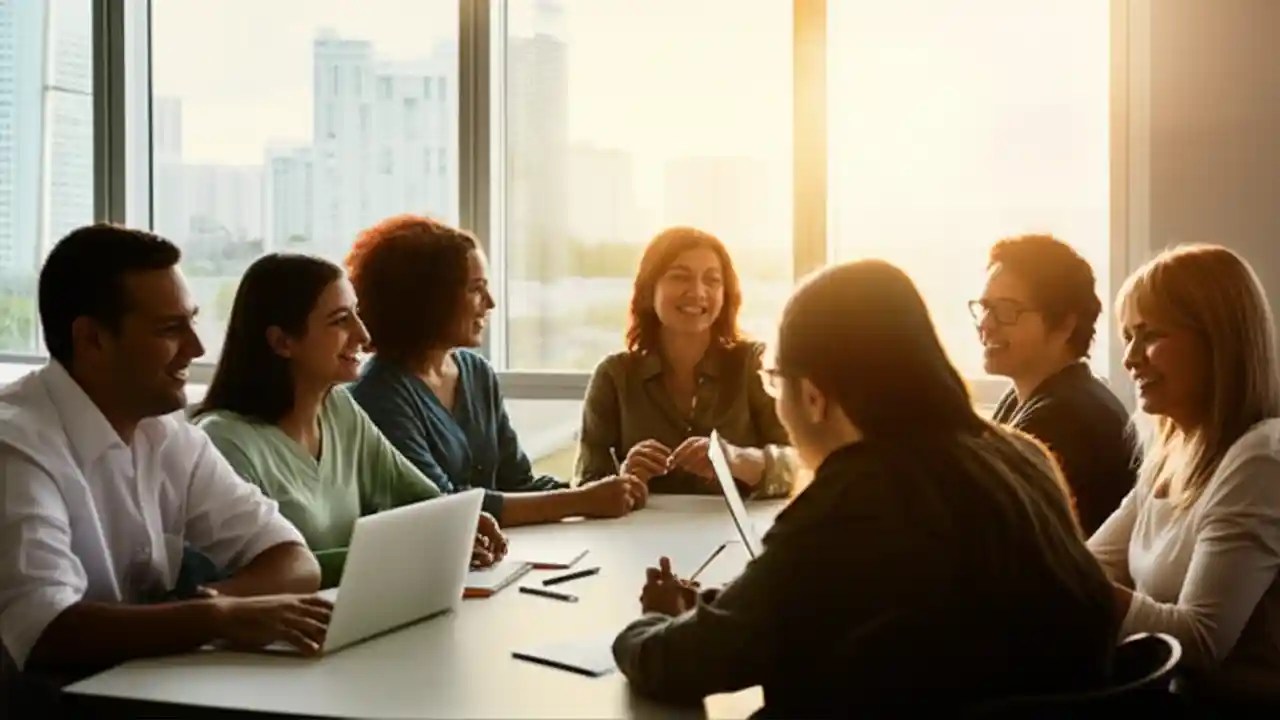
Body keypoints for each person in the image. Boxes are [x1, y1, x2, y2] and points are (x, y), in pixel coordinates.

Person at [613, 259, 1117, 716]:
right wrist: (726, 603)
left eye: (775, 380)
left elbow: (682, 663)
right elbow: (854, 602)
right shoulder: (1020, 456)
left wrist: (652, 619)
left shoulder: (858, 497)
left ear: (812, 395)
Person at [0, 225, 329, 682]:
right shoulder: (15, 446)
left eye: (191, 321)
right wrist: (216, 619)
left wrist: (209, 606)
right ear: (92, 338)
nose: (195, 348)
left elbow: (295, 562)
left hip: (139, 689)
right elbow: (46, 630)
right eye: (170, 329)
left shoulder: (169, 434)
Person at [194, 254, 507, 590]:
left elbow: (421, 500)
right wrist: (393, 554)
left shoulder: (340, 408)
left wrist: (461, 521)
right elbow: (266, 573)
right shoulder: (223, 440)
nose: (363, 335)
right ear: (282, 342)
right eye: (340, 320)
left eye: (356, 314)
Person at [345, 214, 647, 526]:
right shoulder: (378, 396)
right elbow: (441, 506)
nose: (489, 303)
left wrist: (613, 490)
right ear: (428, 298)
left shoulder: (476, 373)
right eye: (476, 289)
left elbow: (517, 482)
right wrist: (580, 501)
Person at [1089, 244, 1280, 706]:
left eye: (1150, 335)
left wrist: (1060, 579)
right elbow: (1092, 562)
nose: (1131, 358)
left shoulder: (1260, 457)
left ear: (1218, 339)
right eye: (1128, 336)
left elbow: (1199, 642)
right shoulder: (1171, 451)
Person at [576, 227, 793, 497]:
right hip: (642, 536)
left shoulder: (753, 365)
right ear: (649, 288)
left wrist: (737, 460)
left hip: (737, 535)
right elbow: (585, 488)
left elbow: (805, 467)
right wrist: (625, 478)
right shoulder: (614, 376)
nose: (698, 292)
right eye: (680, 277)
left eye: (712, 280)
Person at [973, 234, 1137, 533]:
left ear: (1065, 324)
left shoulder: (1065, 418)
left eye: (1007, 311)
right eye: (984, 307)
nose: (986, 323)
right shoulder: (1026, 396)